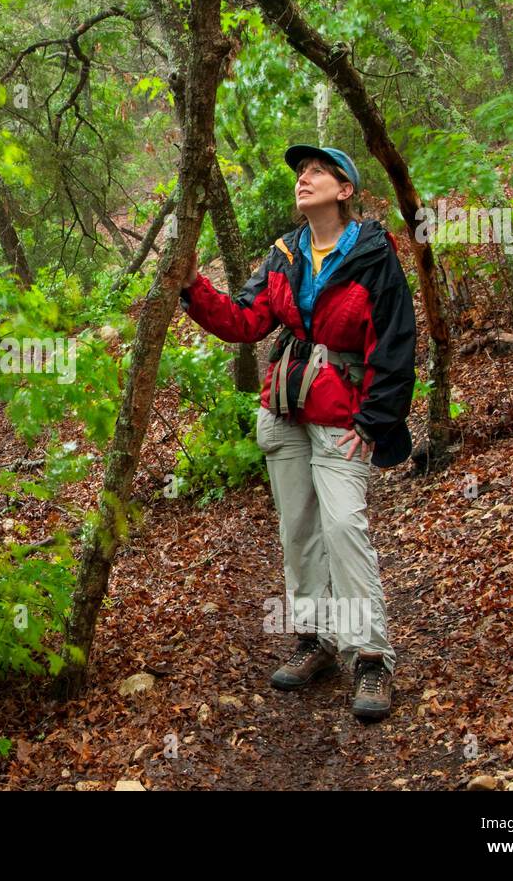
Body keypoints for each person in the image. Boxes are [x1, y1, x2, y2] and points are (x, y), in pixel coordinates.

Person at [179, 144, 416, 721]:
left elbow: (395, 340)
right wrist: (191, 284)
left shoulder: (373, 253)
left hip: (343, 417)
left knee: (344, 529)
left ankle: (370, 657)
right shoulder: (284, 255)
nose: (303, 179)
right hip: (284, 411)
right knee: (298, 531)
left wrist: (376, 420)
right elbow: (244, 321)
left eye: (317, 172)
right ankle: (314, 640)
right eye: (300, 173)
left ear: (345, 190)